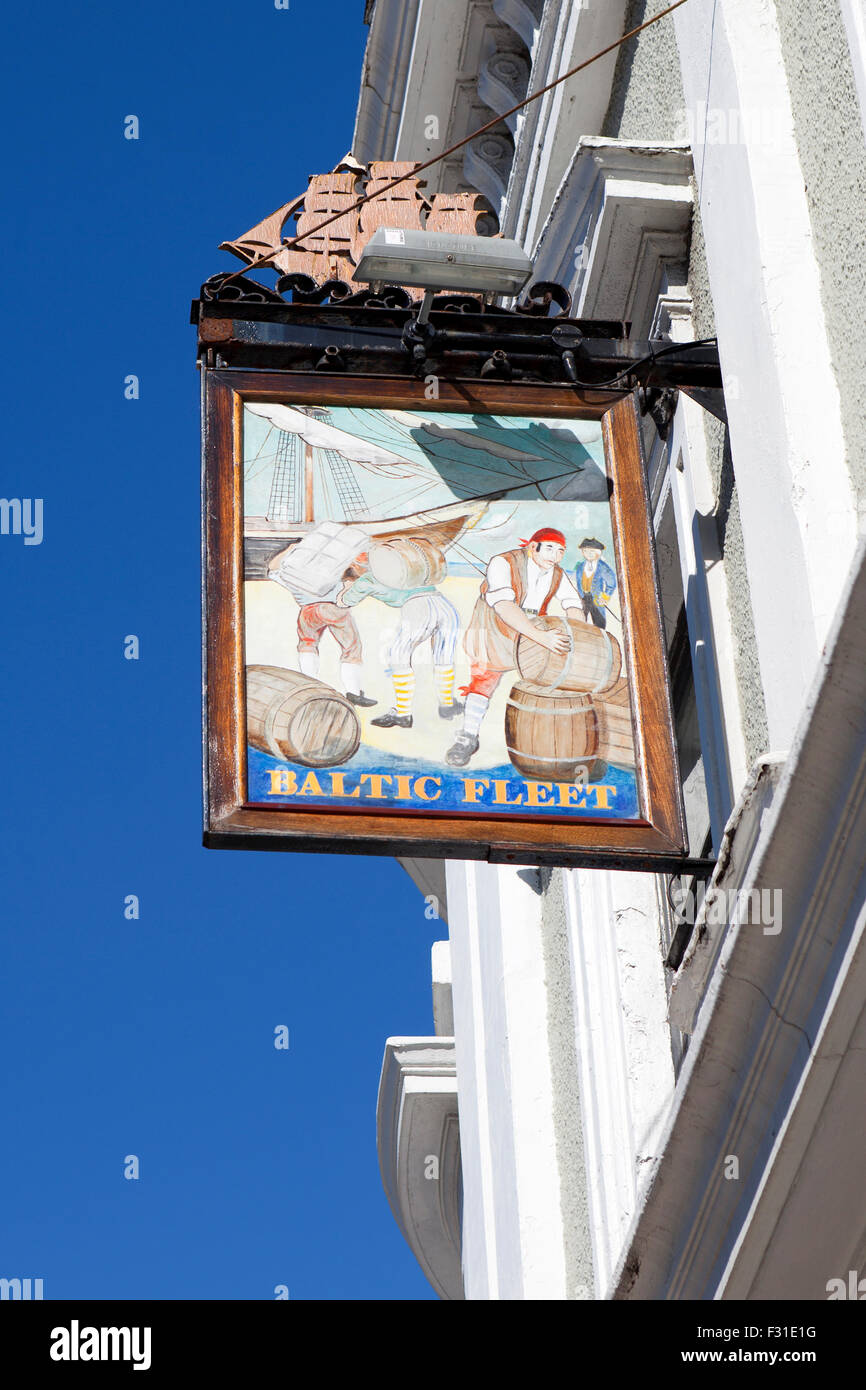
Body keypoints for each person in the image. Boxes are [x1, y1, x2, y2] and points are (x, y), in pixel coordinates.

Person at [445, 527, 585, 767]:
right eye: (550, 548)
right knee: (483, 680)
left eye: (561, 551)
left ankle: (552, 742)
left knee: (551, 679)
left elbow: (573, 604)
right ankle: (468, 737)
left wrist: (577, 633)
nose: (555, 555)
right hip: (495, 626)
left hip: (534, 631)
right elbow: (504, 606)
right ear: (532, 547)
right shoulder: (502, 563)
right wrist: (542, 637)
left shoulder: (557, 574)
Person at [336, 563, 462, 729]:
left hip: (418, 607)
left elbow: (343, 602)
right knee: (443, 657)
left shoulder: (365, 580)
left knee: (398, 656)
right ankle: (447, 706)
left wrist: (347, 587)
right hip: (443, 604)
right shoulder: (395, 569)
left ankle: (403, 714)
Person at [269, 556, 377, 707]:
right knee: (351, 649)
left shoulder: (297, 576)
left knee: (307, 644)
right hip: (334, 608)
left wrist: (289, 550)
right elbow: (356, 578)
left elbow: (272, 570)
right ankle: (354, 692)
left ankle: (309, 688)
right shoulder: (336, 569)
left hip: (307, 611)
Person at [574, 537, 617, 629]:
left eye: (591, 551)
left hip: (596, 599)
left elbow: (611, 583)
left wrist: (605, 597)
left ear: (599, 552)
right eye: (585, 551)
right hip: (583, 598)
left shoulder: (603, 567)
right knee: (581, 620)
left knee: (599, 622)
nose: (588, 554)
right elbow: (578, 582)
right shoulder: (581, 567)